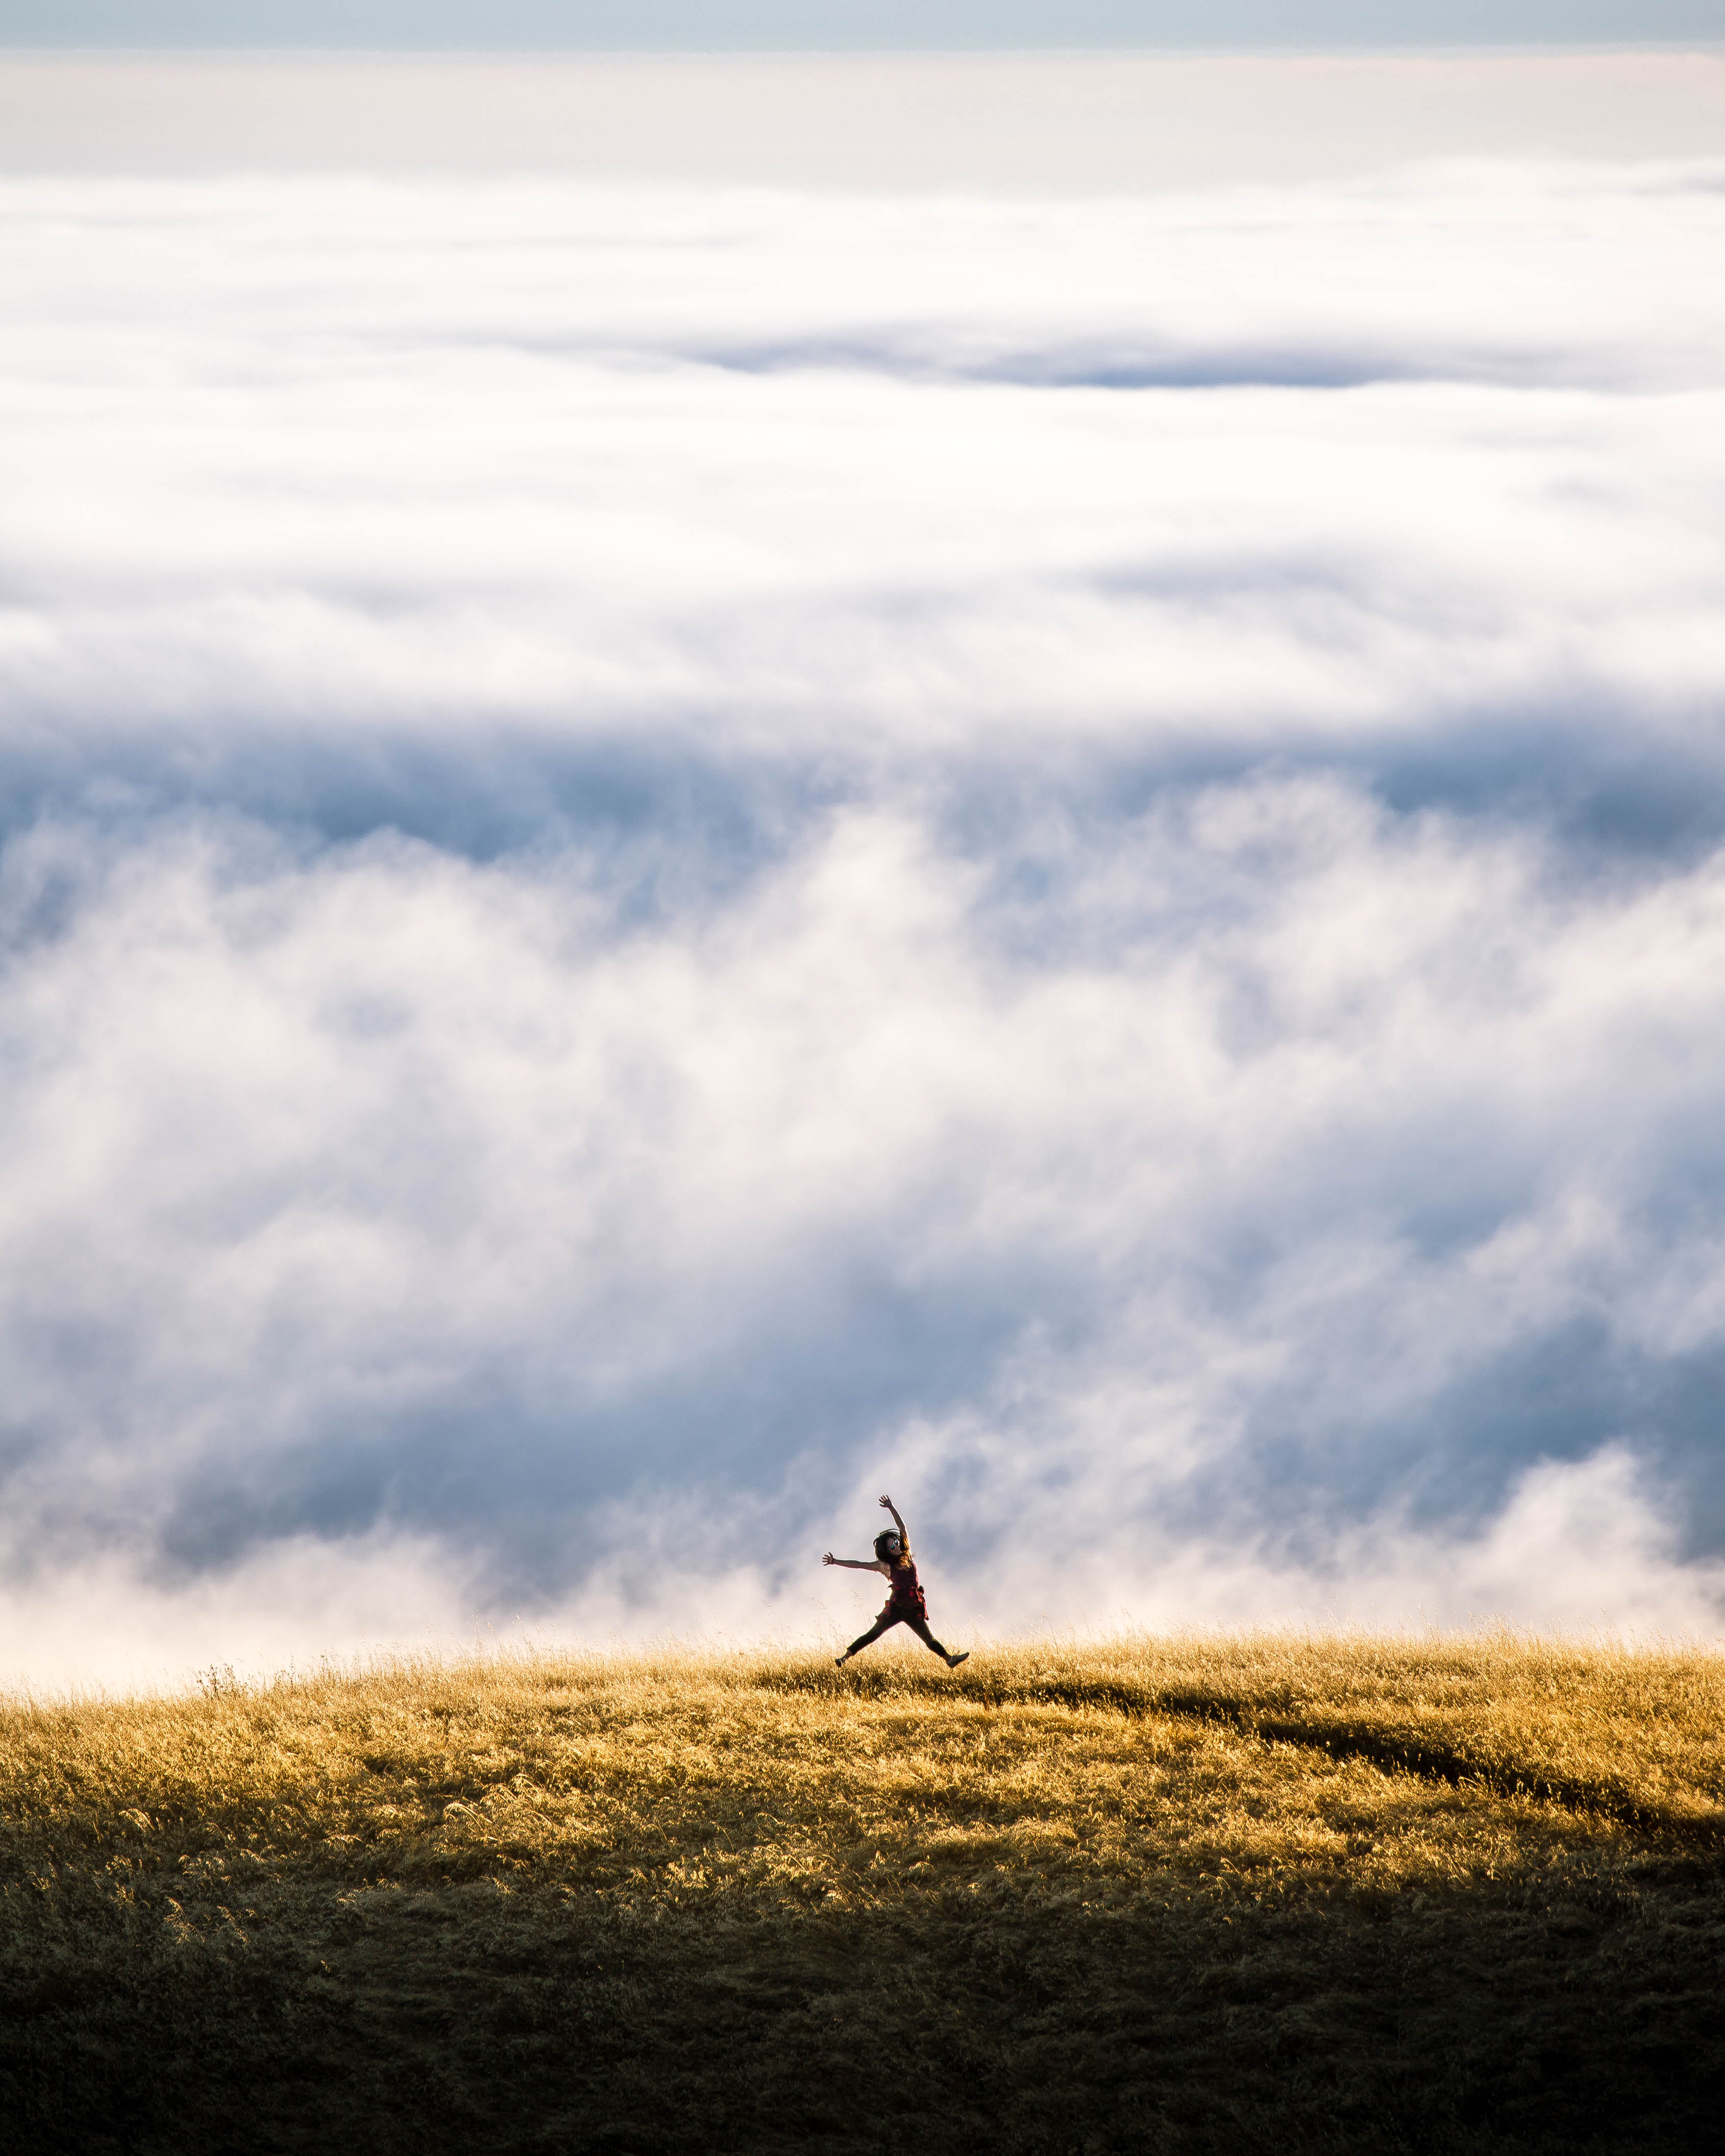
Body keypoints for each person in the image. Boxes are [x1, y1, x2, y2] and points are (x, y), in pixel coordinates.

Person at [824, 1494, 969, 1668]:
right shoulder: (885, 1565)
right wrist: (835, 1561)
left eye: (896, 1543)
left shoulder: (906, 1554)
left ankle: (950, 1660)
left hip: (913, 1606)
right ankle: (844, 1658)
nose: (896, 1547)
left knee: (929, 1639)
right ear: (887, 1551)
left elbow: (902, 1527)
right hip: (895, 1608)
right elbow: (859, 1565)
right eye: (892, 1547)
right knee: (873, 1635)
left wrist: (891, 1507)